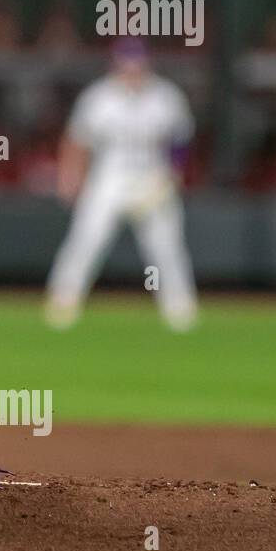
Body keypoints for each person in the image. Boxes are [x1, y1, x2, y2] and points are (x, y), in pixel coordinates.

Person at [44, 37, 198, 331]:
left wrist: (174, 173)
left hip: (152, 175)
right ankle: (63, 301)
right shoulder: (98, 97)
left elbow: (181, 138)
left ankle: (179, 308)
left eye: (137, 63)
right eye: (126, 63)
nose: (132, 70)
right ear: (116, 64)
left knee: (166, 246)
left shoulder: (165, 96)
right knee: (86, 240)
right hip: (110, 175)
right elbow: (77, 140)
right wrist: (70, 177)